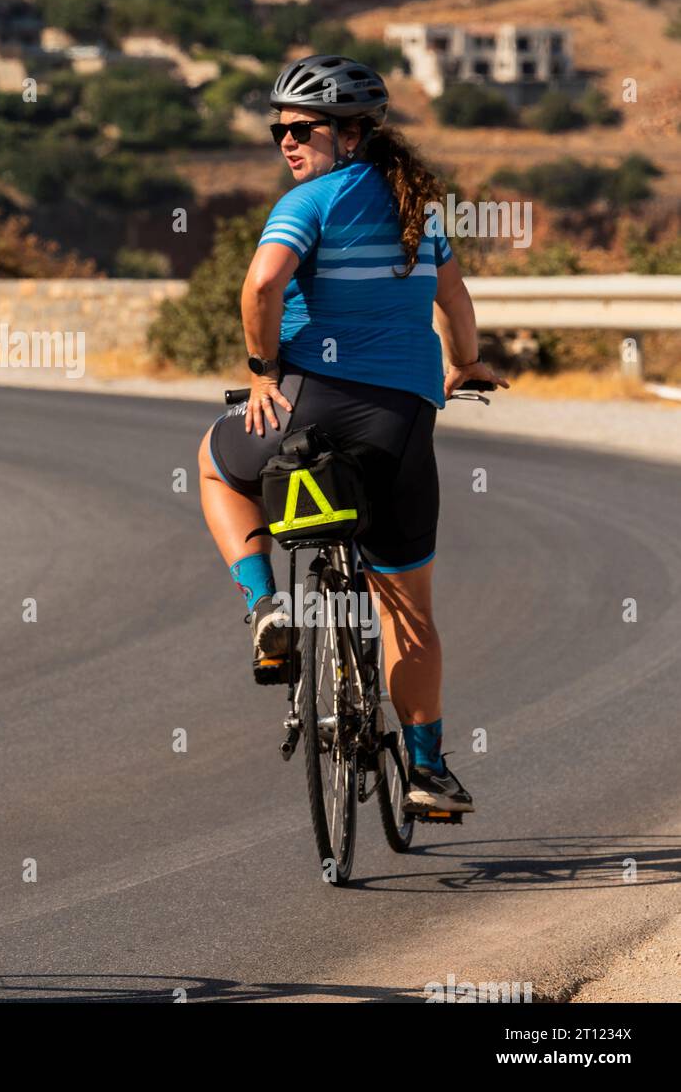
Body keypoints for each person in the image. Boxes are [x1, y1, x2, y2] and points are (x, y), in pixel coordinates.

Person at [197, 53, 506, 815]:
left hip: (305, 410)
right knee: (408, 609)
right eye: (278, 130)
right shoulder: (416, 213)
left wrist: (263, 372)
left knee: (213, 463)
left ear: (353, 133)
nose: (286, 143)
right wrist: (464, 365)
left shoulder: (309, 203)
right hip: (400, 424)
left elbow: (264, 282)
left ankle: (267, 603)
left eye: (302, 129)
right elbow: (455, 300)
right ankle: (429, 771)